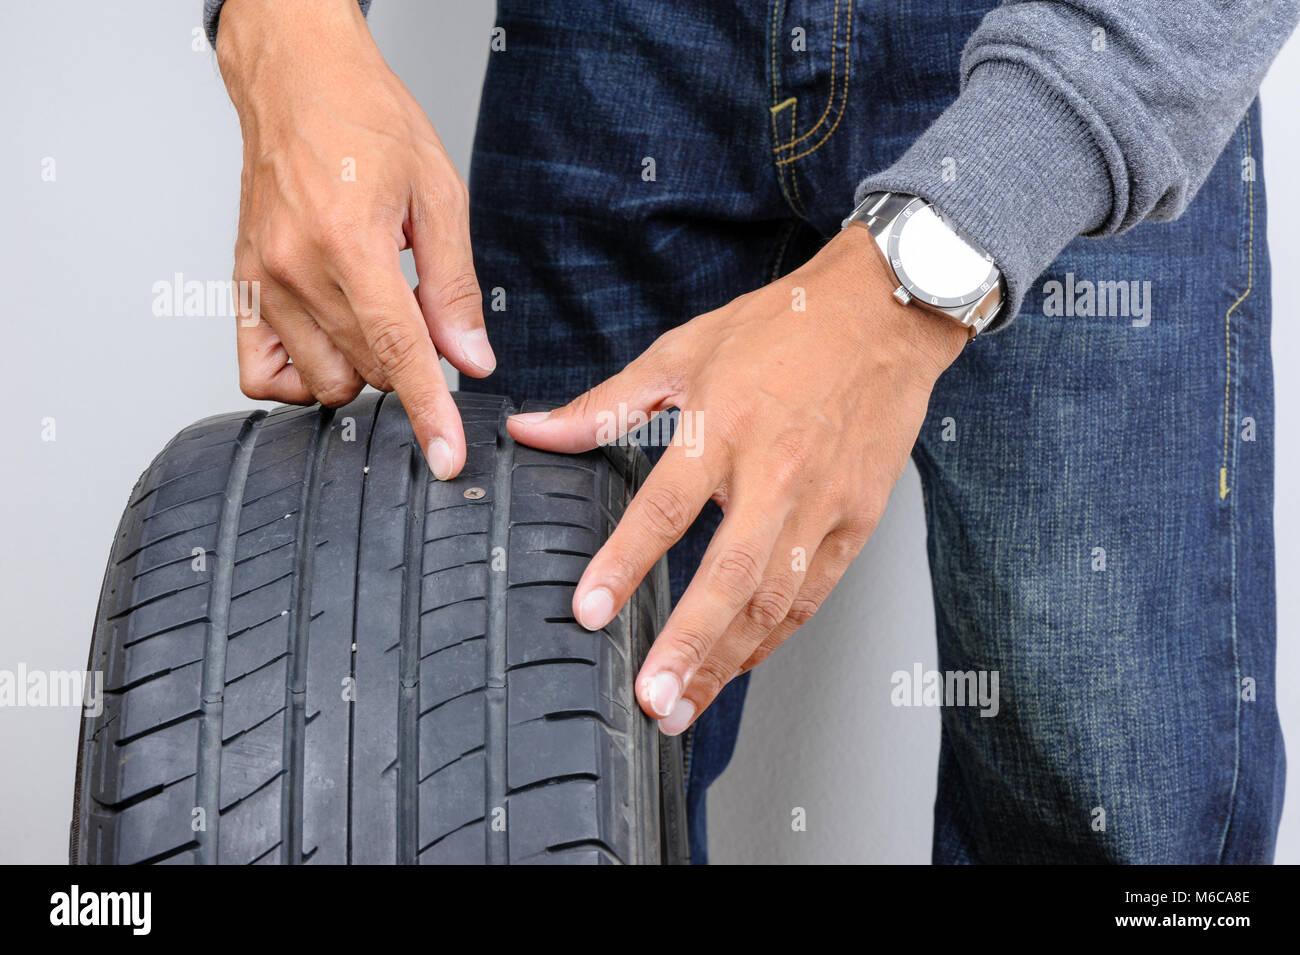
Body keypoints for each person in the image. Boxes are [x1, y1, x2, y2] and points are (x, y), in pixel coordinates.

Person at [205, 0, 1298, 863]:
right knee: (508, 772)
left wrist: (916, 281)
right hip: (605, 43)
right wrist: (281, 25)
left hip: (1084, 29)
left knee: (1112, 818)